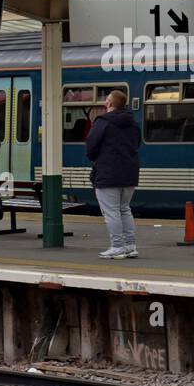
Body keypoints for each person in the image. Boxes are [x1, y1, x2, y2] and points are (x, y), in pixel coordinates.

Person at [85, 89, 141, 259]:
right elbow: (137, 143)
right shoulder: (133, 123)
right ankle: (131, 246)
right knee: (124, 209)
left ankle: (117, 247)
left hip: (108, 173)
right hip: (129, 172)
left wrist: (97, 158)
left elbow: (91, 146)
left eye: (107, 100)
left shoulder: (103, 122)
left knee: (112, 212)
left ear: (109, 104)